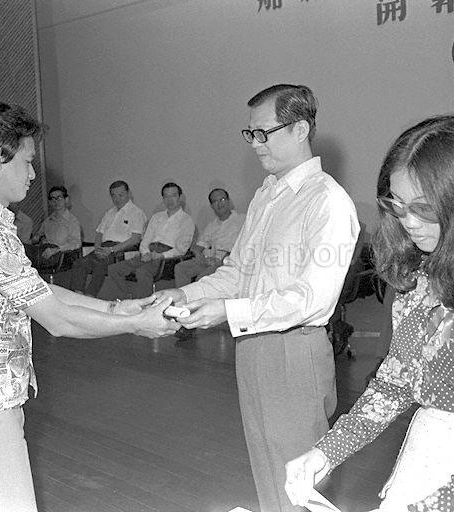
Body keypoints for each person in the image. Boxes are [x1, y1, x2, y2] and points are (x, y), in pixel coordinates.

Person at [0, 101, 179, 512]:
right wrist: (137, 325)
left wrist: (120, 309)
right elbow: (57, 319)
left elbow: (41, 292)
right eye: (27, 162)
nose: (33, 174)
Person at [156, 84, 359, 512]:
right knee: (267, 475)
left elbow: (312, 299)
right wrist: (186, 293)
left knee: (298, 486)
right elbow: (237, 273)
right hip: (252, 346)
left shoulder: (327, 201)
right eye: (250, 134)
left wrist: (228, 312)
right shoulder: (267, 195)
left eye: (264, 132)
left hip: (294, 350)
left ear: (300, 129)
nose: (255, 144)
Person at [284, 115, 454, 512]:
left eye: (423, 208)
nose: (407, 222)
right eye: (397, 205)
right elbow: (394, 384)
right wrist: (324, 453)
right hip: (435, 451)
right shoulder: (421, 280)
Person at [98, 182, 194, 300]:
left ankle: (145, 305)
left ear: (180, 197)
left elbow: (181, 249)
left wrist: (160, 255)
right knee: (114, 269)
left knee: (142, 271)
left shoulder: (187, 220)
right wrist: (146, 253)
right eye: (166, 196)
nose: (169, 200)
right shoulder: (156, 217)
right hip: (148, 253)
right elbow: (145, 241)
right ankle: (126, 299)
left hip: (166, 259)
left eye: (173, 196)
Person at [173, 188, 245, 341]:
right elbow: (198, 246)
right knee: (180, 268)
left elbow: (246, 246)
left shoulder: (242, 220)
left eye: (222, 199)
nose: (219, 204)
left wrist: (224, 257)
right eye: (215, 202)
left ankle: (191, 322)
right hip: (208, 258)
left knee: (202, 278)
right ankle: (184, 314)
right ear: (211, 206)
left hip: (228, 260)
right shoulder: (211, 225)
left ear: (229, 201)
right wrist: (199, 255)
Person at [68, 180, 147, 296]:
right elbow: (99, 233)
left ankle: (90, 295)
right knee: (79, 263)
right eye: (114, 196)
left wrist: (111, 250)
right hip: (103, 248)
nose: (117, 199)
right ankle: (78, 296)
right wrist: (97, 248)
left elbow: (135, 239)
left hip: (122, 250)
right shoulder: (109, 213)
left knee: (99, 263)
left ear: (128, 193)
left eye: (120, 195)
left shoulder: (136, 213)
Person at [25, 185, 82, 276]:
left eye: (59, 198)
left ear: (66, 200)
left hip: (59, 255)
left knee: (25, 257)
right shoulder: (48, 221)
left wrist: (56, 250)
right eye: (52, 199)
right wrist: (34, 239)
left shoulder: (72, 221)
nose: (55, 201)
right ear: (50, 202)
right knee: (22, 248)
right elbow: (38, 236)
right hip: (43, 251)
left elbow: (76, 243)